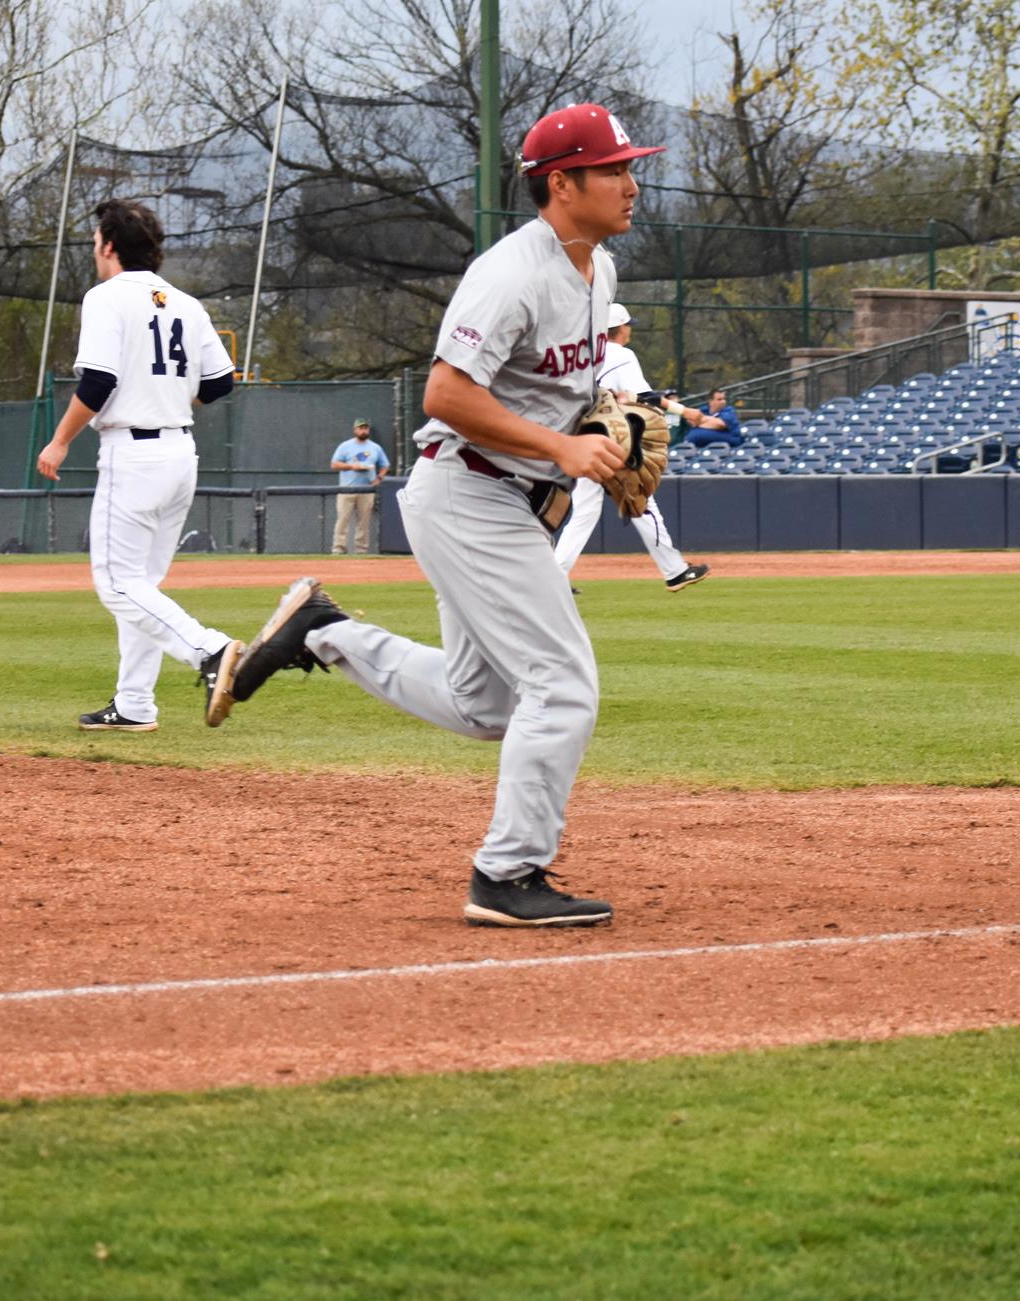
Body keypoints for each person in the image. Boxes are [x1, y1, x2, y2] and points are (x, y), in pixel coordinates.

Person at [222, 102, 659, 928]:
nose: (631, 183)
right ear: (562, 185)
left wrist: (597, 433)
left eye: (629, 167)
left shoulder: (597, 270)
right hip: (469, 492)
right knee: (562, 683)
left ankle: (323, 631)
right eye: (613, 169)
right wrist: (561, 450)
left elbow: (553, 387)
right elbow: (446, 393)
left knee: (481, 704)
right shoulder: (511, 273)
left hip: (508, 498)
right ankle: (506, 873)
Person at [35, 198, 246, 733]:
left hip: (134, 456)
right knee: (141, 586)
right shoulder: (186, 304)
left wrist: (59, 441)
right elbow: (221, 381)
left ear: (109, 245)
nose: (94, 250)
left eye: (95, 241)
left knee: (116, 583)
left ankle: (210, 650)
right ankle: (134, 704)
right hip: (179, 453)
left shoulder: (106, 297)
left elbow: (98, 382)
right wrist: (168, 398)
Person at [552, 301, 709, 592]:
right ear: (620, 329)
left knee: (585, 511)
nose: (629, 330)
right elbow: (646, 397)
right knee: (641, 501)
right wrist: (684, 411)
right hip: (613, 438)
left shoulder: (582, 354)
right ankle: (675, 571)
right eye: (627, 326)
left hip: (580, 436)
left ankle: (555, 576)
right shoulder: (622, 355)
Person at [328, 418, 390, 554]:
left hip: (366, 489)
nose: (363, 431)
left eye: (365, 428)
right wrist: (352, 466)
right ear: (355, 430)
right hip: (347, 488)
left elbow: (385, 465)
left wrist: (379, 477)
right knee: (342, 520)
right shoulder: (345, 446)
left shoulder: (375, 447)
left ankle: (361, 550)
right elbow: (334, 464)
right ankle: (338, 549)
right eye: (360, 428)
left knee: (363, 522)